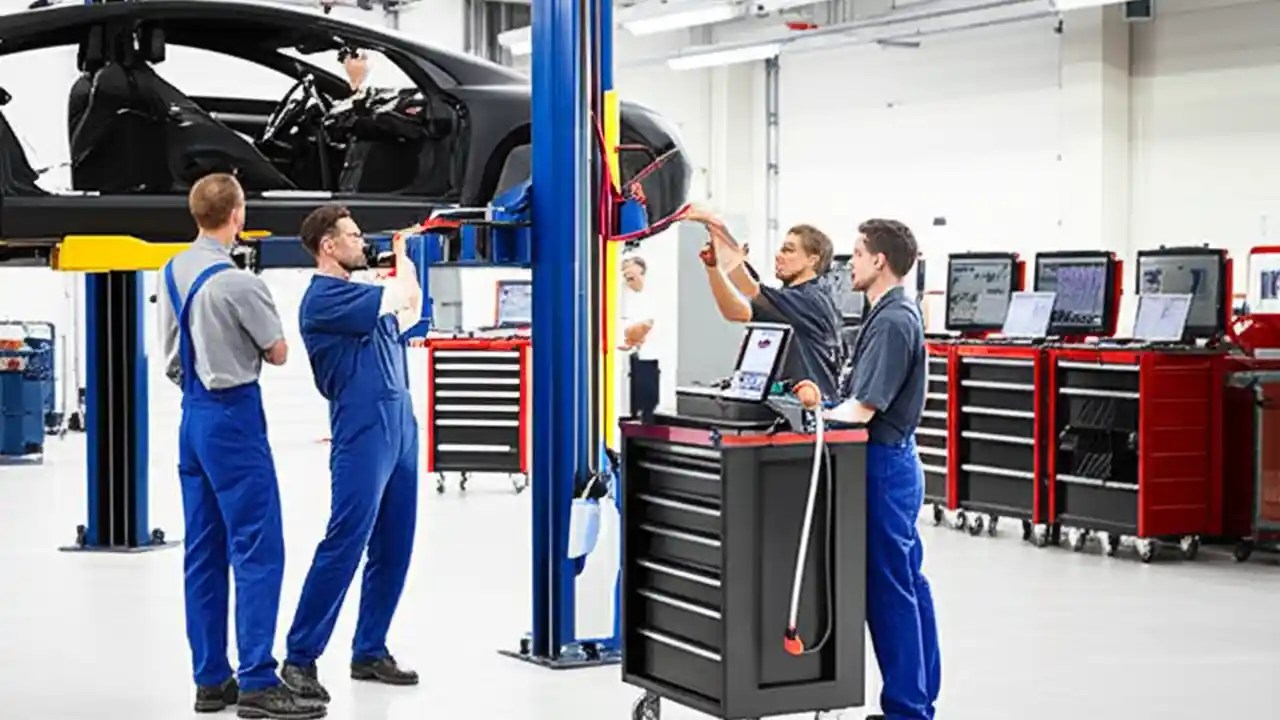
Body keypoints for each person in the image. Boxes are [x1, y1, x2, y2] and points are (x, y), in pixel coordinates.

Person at [157, 174, 323, 719]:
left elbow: (171, 351)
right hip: (234, 419)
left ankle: (211, 681)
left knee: (203, 552)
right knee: (256, 548)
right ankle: (256, 679)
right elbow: (276, 352)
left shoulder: (174, 270)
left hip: (193, 417)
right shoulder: (239, 283)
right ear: (238, 215)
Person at [281, 204, 422, 703]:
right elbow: (402, 294)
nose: (363, 244)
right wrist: (403, 253)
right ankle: (299, 657)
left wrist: (403, 255)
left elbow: (414, 308)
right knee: (345, 541)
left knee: (395, 545)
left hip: (401, 427)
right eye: (354, 236)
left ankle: (369, 648)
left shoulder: (367, 298)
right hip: (362, 431)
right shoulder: (323, 300)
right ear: (328, 245)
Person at [825, 218, 940, 720]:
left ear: (879, 261)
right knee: (908, 582)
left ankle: (907, 710)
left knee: (890, 588)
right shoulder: (887, 313)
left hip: (883, 465)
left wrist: (811, 419)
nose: (848, 263)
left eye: (855, 253)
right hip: (891, 462)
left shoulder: (894, 320)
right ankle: (916, 700)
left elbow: (864, 408)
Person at [686, 208, 843, 399]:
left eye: (789, 250)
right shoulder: (789, 301)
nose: (779, 255)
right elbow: (736, 312)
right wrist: (713, 269)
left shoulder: (811, 299)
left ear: (812, 260)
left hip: (812, 412)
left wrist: (716, 227)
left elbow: (748, 286)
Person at [619, 255, 660, 422]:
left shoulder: (651, 295)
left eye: (630, 271)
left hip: (648, 360)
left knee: (647, 408)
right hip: (633, 359)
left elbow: (645, 325)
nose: (626, 274)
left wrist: (630, 335)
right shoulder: (625, 294)